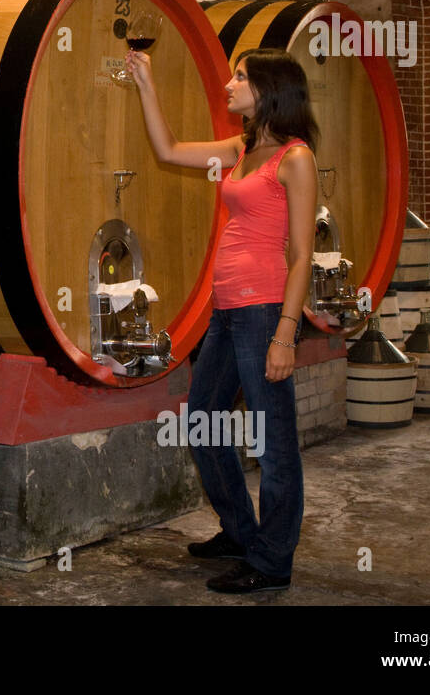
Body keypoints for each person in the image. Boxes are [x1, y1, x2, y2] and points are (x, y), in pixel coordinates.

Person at [122, 45, 318, 593]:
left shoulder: (295, 159)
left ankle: (273, 561)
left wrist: (286, 332)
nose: (229, 84)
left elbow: (301, 253)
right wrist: (145, 82)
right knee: (204, 422)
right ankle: (240, 531)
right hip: (228, 312)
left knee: (273, 441)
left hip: (263, 313)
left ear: (269, 90)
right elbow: (169, 149)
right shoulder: (241, 147)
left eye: (240, 77)